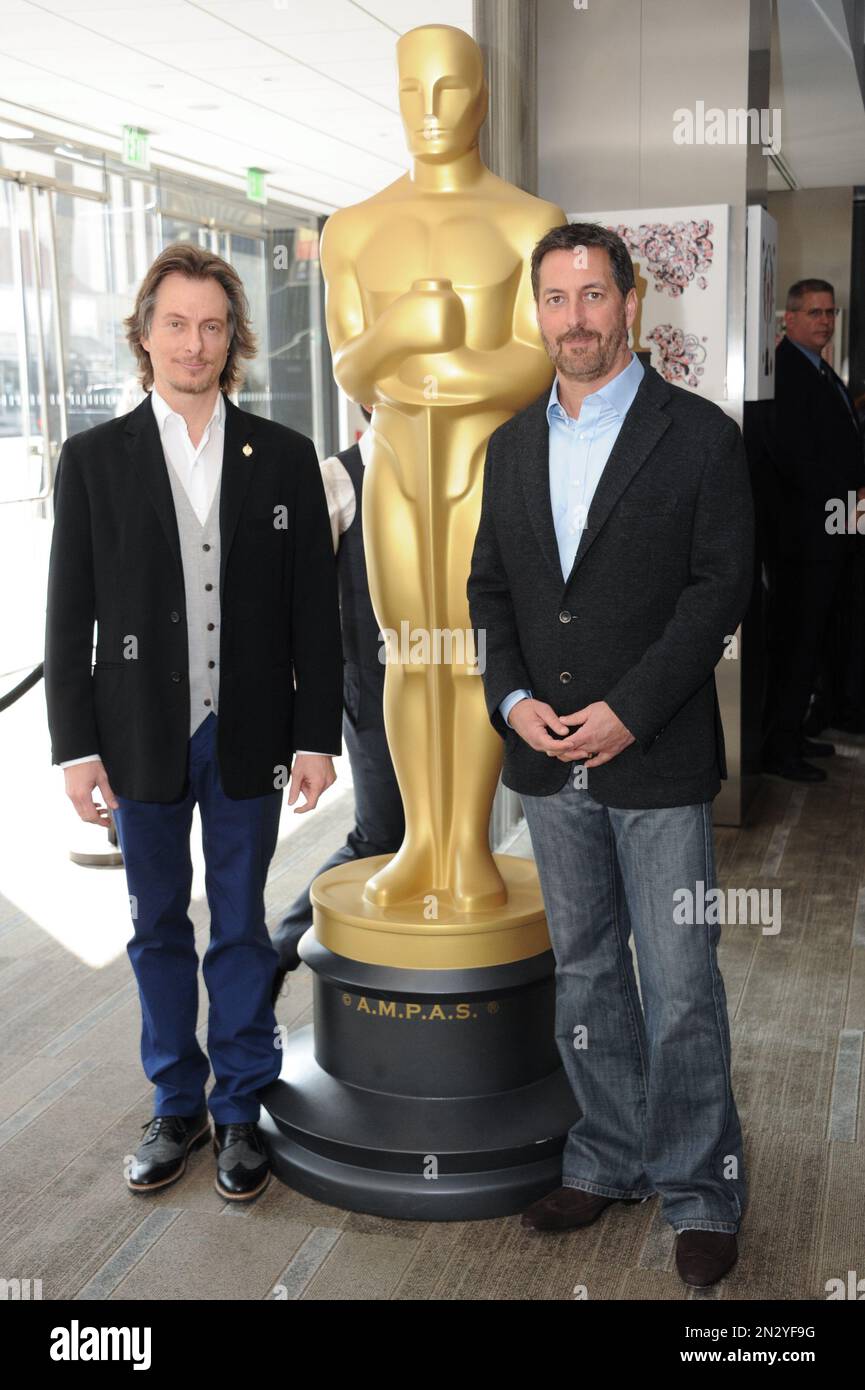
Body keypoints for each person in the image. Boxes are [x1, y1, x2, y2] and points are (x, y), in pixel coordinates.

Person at [468, 222, 754, 1289]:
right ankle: (608, 1156)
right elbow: (489, 590)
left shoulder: (698, 436)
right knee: (586, 975)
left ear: (629, 301)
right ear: (534, 310)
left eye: (592, 295)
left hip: (657, 753)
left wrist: (628, 710)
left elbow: (716, 590)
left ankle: (700, 1187)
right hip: (549, 762)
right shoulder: (509, 444)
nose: (573, 319)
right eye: (555, 298)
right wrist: (511, 700)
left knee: (680, 981)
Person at [44, 243, 343, 1202]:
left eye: (212, 325)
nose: (195, 341)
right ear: (145, 335)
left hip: (249, 731)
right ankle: (176, 1101)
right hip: (138, 737)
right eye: (176, 322)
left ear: (233, 339)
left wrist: (316, 734)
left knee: (243, 924)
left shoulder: (285, 457)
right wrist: (75, 747)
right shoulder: (93, 460)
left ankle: (239, 1105)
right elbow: (68, 614)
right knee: (157, 923)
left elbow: (312, 613)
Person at [270, 406, 405, 1003]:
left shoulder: (460, 466)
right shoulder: (338, 476)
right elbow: (297, 595)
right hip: (371, 686)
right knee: (382, 832)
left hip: (452, 682)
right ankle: (276, 954)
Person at [762, 279, 865, 778]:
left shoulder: (823, 370)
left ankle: (797, 731)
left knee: (819, 637)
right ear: (790, 318)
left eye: (830, 313)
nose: (825, 321)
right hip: (802, 538)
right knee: (796, 642)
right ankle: (780, 749)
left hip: (834, 530)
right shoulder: (786, 370)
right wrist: (848, 499)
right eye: (815, 313)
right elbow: (795, 458)